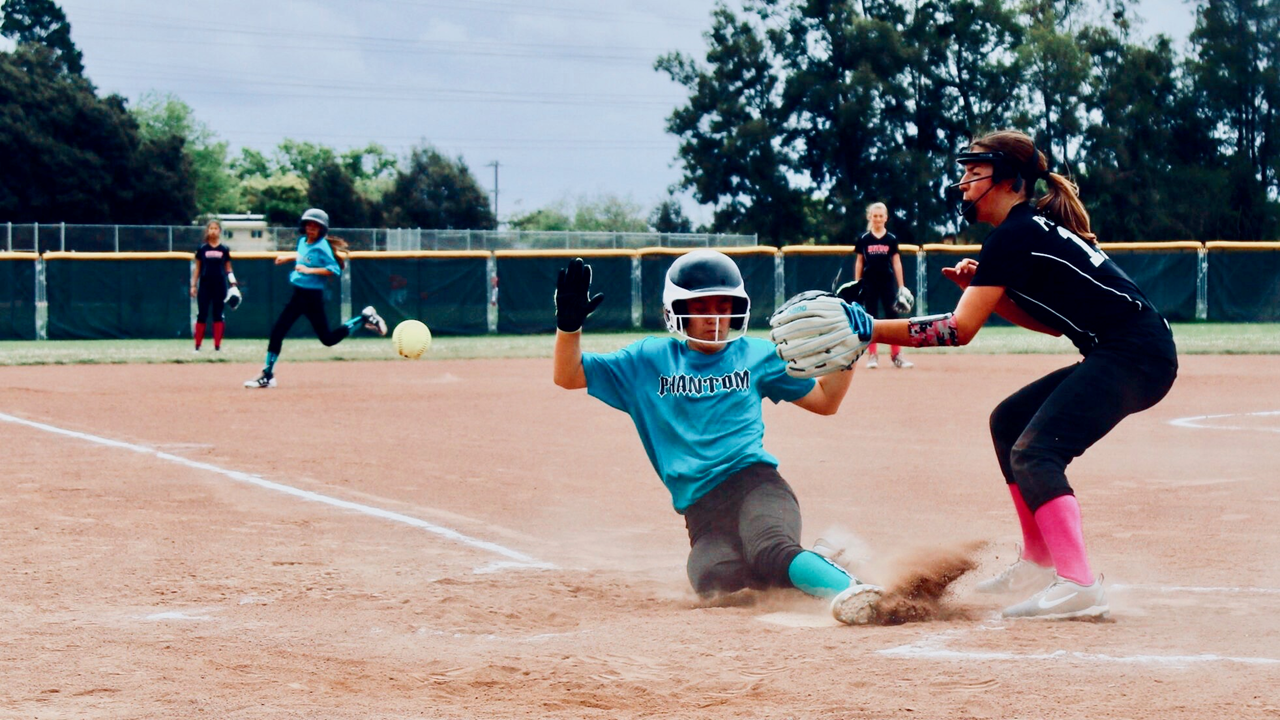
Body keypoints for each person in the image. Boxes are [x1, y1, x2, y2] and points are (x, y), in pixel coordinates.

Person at [843, 130, 1177, 619]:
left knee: (1036, 451)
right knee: (1010, 422)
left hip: (1134, 355)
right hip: (1127, 350)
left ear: (1007, 181)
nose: (962, 183)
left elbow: (958, 330)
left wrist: (868, 326)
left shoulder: (1015, 234)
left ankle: (1079, 584)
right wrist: (994, 295)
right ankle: (1039, 563)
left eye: (973, 173)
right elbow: (1051, 326)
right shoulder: (1023, 231)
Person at [551, 250, 885, 625]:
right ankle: (821, 560)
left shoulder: (755, 354)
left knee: (770, 550)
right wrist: (569, 325)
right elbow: (569, 375)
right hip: (703, 513)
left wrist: (847, 349)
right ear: (675, 311)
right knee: (717, 581)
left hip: (757, 486)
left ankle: (856, 591)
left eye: (724, 306)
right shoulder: (646, 360)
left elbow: (826, 401)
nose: (715, 318)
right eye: (702, 307)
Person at [244, 208, 388, 389]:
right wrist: (288, 257)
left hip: (312, 298)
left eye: (316, 225)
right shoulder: (302, 241)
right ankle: (267, 375)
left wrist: (309, 270)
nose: (311, 228)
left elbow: (334, 269)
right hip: (298, 295)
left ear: (322, 229)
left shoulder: (322, 246)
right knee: (277, 331)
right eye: (308, 224)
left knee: (327, 339)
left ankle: (364, 318)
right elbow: (305, 256)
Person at [854, 203, 913, 369]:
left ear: (886, 218)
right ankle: (873, 355)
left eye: (881, 216)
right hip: (869, 282)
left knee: (892, 318)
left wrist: (901, 286)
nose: (878, 219)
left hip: (887, 281)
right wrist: (857, 283)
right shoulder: (864, 239)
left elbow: (896, 263)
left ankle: (896, 355)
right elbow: (859, 262)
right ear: (870, 217)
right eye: (875, 216)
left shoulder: (891, 239)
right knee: (871, 318)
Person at [190, 219, 239, 352]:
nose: (213, 231)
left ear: (219, 231)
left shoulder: (224, 249)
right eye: (210, 228)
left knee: (218, 314)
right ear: (207, 231)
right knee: (202, 314)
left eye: (215, 228)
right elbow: (198, 269)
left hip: (220, 285)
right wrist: (193, 285)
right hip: (205, 284)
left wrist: (233, 283)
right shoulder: (202, 249)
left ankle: (217, 346)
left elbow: (228, 268)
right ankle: (197, 346)